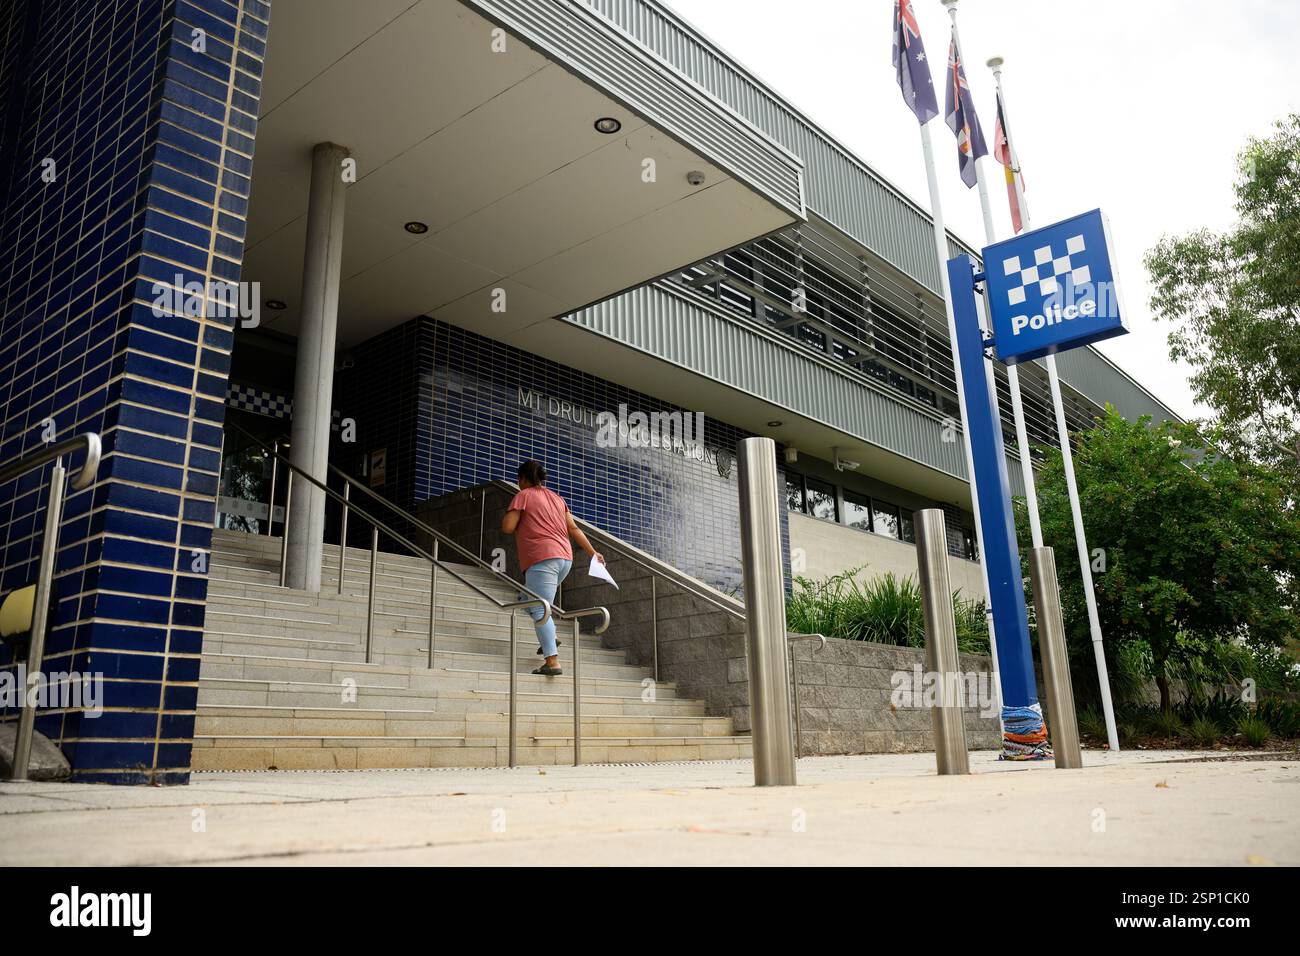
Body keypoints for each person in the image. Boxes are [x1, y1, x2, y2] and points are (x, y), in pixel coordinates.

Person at [501, 461, 604, 676]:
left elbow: (508, 527)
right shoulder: (558, 499)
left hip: (542, 558)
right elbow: (573, 528)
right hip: (564, 558)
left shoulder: (524, 495)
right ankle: (550, 635)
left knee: (539, 608)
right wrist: (593, 552)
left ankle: (552, 661)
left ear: (522, 479)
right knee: (525, 598)